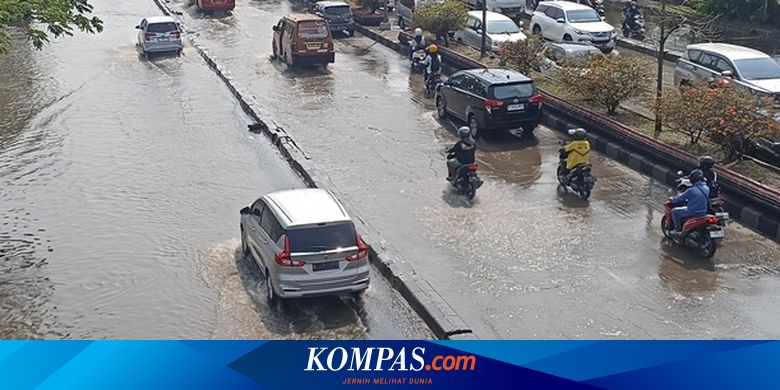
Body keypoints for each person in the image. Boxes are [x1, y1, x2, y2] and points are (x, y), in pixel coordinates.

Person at [670, 169, 710, 235]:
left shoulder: (691, 190)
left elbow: (679, 199)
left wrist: (672, 199)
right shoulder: (706, 188)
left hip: (692, 212)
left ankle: (677, 230)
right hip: (703, 212)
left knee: (674, 211)